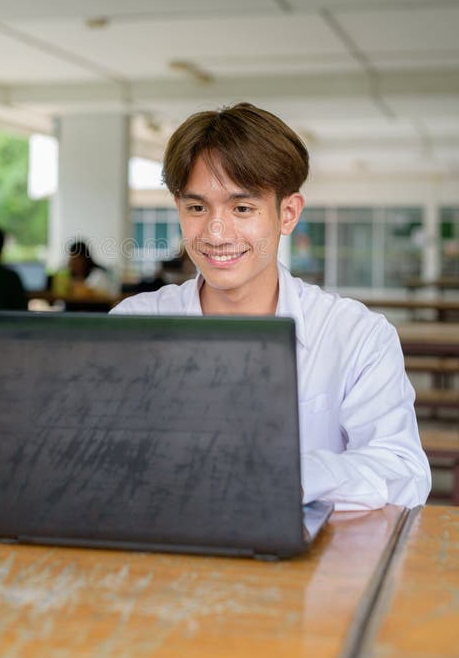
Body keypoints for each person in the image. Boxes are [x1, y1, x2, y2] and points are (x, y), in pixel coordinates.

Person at [112, 102, 431, 511]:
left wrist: (279, 476)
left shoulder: (357, 336)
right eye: (197, 208)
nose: (216, 233)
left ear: (288, 213)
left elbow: (404, 473)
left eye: (242, 208)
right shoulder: (133, 327)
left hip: (305, 548)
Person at [52, 240, 118, 302]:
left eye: (77, 259)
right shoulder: (68, 276)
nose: (73, 262)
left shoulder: (98, 275)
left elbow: (101, 295)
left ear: (85, 260)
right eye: (72, 259)